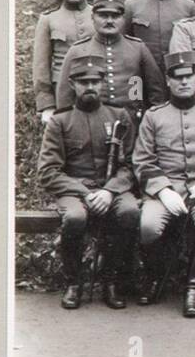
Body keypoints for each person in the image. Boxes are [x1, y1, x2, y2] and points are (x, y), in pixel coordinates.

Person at [131, 51, 195, 318]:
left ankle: (193, 287)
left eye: (189, 77)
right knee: (149, 225)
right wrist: (163, 190)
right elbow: (142, 159)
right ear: (168, 80)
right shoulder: (154, 116)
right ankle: (155, 276)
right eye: (178, 77)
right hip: (167, 189)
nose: (184, 82)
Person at [37, 56, 139, 310]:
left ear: (103, 83)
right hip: (74, 189)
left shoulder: (119, 116)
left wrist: (108, 191)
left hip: (112, 188)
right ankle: (73, 282)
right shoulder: (60, 122)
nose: (90, 87)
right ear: (72, 84)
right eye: (84, 82)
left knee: (129, 211)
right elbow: (48, 172)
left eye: (95, 81)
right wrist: (85, 192)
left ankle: (111, 280)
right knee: (74, 218)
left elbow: (131, 165)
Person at [55, 0, 166, 116]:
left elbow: (156, 92)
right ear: (92, 17)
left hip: (132, 122)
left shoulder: (138, 48)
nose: (109, 21)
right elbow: (65, 96)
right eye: (103, 15)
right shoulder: (78, 50)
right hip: (91, 122)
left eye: (115, 16)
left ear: (123, 19)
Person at [32, 0, 94, 123]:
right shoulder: (48, 19)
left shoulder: (99, 16)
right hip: (62, 93)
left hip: (95, 90)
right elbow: (41, 66)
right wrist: (46, 105)